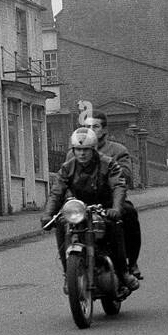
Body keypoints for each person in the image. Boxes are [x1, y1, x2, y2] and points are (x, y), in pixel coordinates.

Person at [45, 127, 139, 296]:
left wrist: (116, 208)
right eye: (78, 150)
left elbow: (118, 185)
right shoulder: (68, 167)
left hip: (105, 206)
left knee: (114, 226)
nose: (82, 154)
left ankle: (123, 273)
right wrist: (48, 214)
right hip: (79, 207)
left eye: (85, 150)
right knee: (61, 224)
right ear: (73, 150)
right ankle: (68, 274)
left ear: (93, 149)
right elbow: (57, 191)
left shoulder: (108, 163)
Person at [61, 113, 143, 280]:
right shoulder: (73, 153)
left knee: (128, 214)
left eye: (95, 127)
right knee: (62, 224)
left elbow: (125, 177)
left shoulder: (118, 150)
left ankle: (131, 262)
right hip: (82, 203)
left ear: (105, 129)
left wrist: (110, 179)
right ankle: (68, 272)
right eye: (87, 127)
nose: (91, 130)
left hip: (110, 200)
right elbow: (64, 180)